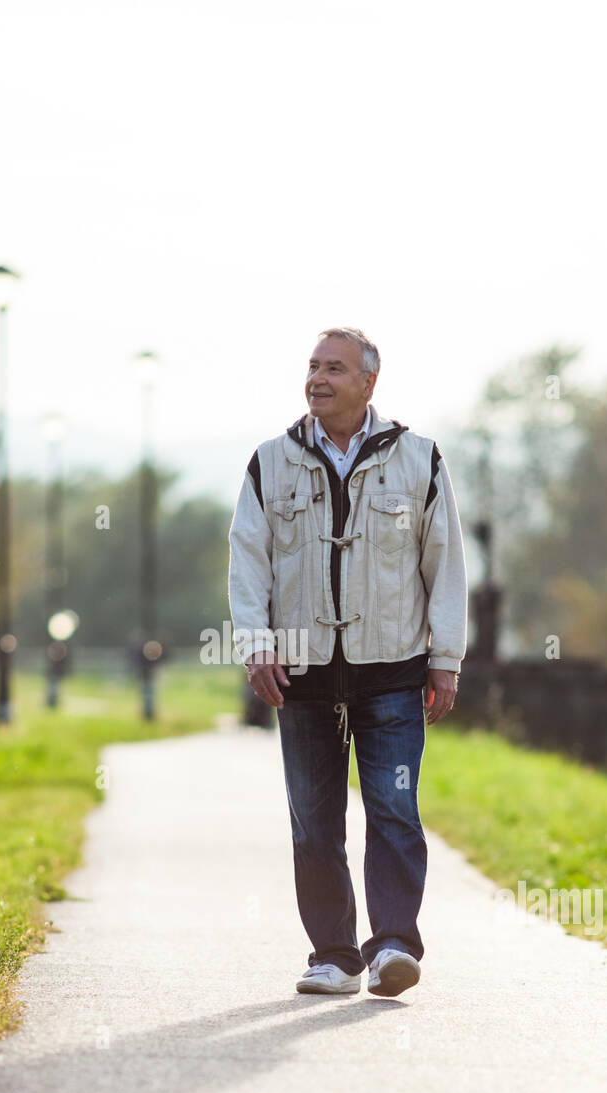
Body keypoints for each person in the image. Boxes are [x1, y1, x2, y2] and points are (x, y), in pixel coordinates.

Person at [228, 327, 467, 997]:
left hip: (392, 670)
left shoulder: (419, 458)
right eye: (312, 365)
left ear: (369, 382)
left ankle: (394, 944)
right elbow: (248, 560)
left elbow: (444, 562)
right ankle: (333, 955)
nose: (318, 377)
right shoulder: (270, 462)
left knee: (394, 808)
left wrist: (445, 658)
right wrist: (256, 646)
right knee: (314, 820)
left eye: (334, 367)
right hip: (300, 673)